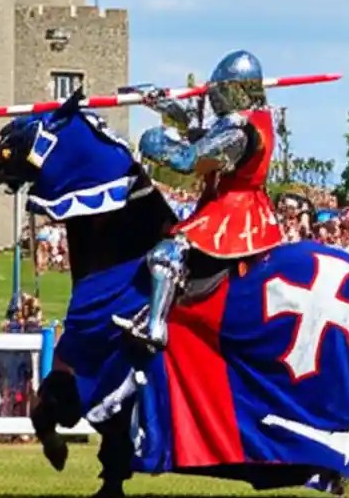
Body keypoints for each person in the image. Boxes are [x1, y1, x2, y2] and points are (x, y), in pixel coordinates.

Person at [119, 49, 282, 347]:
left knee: (167, 254)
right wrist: (168, 108)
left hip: (234, 210)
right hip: (228, 203)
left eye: (220, 91)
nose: (215, 97)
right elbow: (200, 136)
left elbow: (190, 160)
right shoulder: (247, 120)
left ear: (236, 90)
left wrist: (156, 142)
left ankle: (155, 327)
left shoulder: (241, 130)